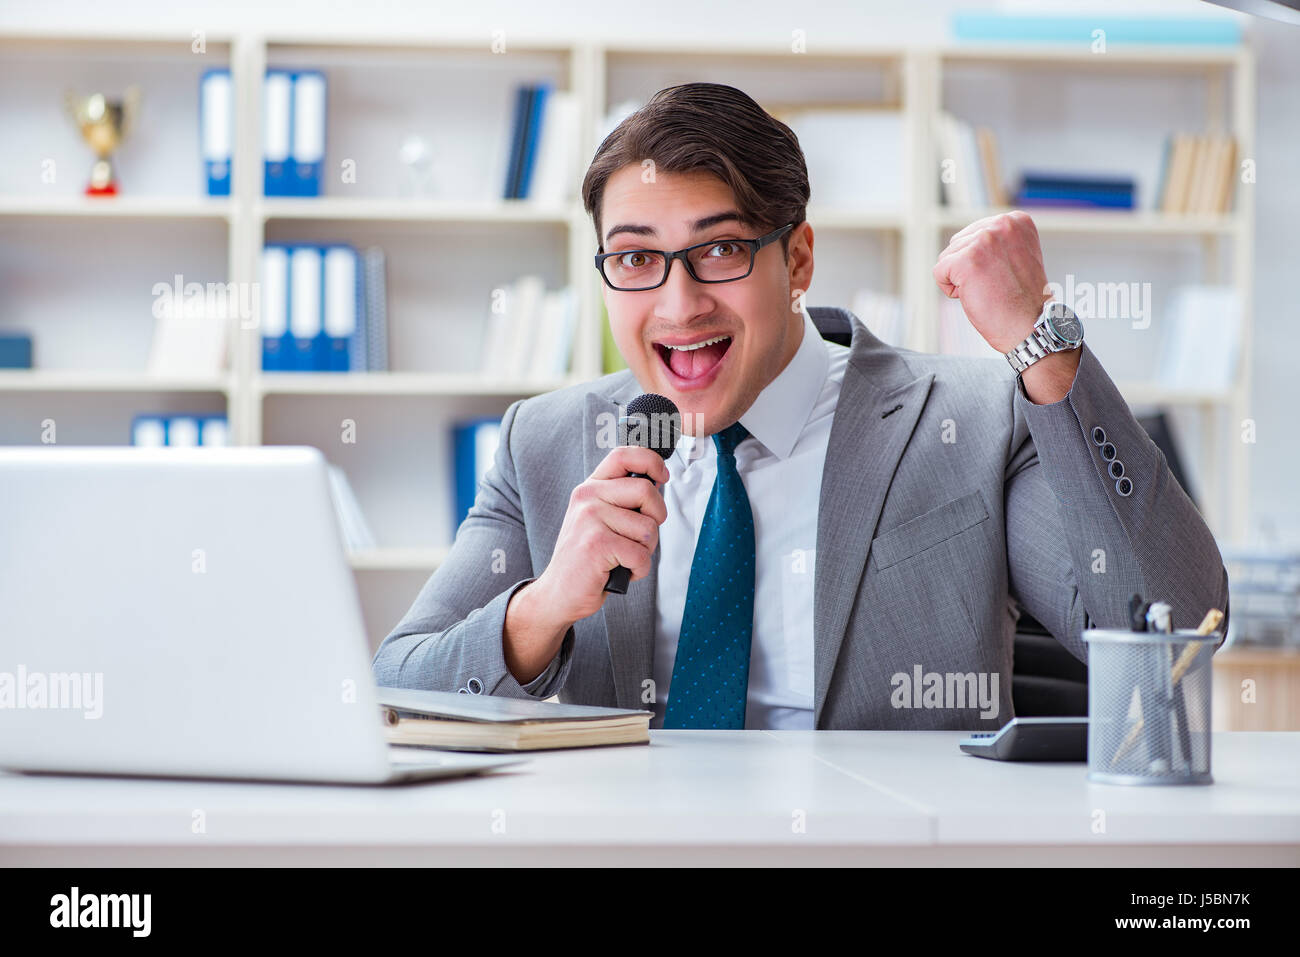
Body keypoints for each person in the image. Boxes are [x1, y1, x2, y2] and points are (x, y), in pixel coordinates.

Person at [372, 82, 1228, 730]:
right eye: (635, 260)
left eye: (722, 250)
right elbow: (401, 686)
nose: (678, 304)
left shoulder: (970, 419)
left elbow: (1172, 632)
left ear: (801, 257)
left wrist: (1044, 341)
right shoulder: (546, 441)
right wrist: (545, 605)